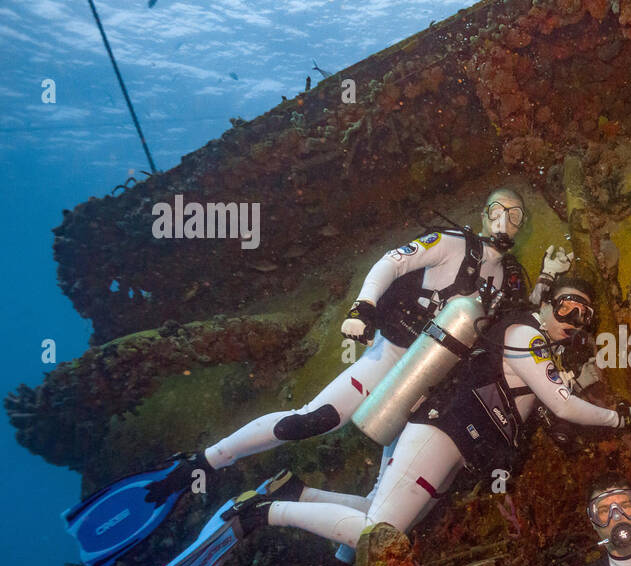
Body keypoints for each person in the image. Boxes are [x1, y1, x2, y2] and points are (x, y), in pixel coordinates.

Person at [108, 276, 631, 566]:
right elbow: (565, 405)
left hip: (452, 447)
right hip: (440, 435)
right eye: (569, 308)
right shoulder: (526, 334)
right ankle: (261, 513)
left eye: (585, 317)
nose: (575, 322)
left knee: (373, 511)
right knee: (377, 534)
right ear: (548, 303)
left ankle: (296, 493)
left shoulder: (538, 343)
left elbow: (555, 401)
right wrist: (622, 420)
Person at [147, 187, 533, 498]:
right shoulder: (451, 244)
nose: (504, 220)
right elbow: (392, 262)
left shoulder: (510, 281)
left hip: (433, 385)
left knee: (388, 495)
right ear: (483, 214)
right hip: (392, 355)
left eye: (515, 215)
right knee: (314, 420)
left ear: (521, 226)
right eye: (497, 210)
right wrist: (363, 306)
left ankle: (329, 545)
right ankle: (206, 461)